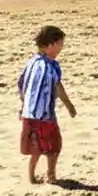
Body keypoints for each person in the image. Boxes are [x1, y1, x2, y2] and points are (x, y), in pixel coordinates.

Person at [19, 26, 77, 185]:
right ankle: (51, 175)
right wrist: (69, 105)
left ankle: (31, 177)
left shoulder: (31, 62)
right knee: (54, 147)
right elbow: (58, 87)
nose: (62, 48)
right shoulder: (51, 66)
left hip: (28, 114)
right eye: (60, 44)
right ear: (51, 45)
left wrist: (23, 106)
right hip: (44, 115)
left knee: (35, 148)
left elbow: (22, 85)